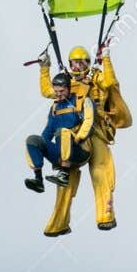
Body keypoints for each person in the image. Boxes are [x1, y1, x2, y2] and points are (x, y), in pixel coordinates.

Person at [43, 45, 132, 231]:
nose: (77, 67)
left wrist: (106, 58)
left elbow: (109, 83)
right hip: (74, 132)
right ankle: (58, 224)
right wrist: (45, 67)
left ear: (88, 63)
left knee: (101, 171)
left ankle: (106, 215)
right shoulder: (66, 82)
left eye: (82, 62)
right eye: (74, 63)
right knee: (65, 178)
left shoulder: (96, 76)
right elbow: (48, 91)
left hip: (97, 129)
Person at [25, 71, 95, 202]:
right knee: (33, 140)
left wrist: (79, 138)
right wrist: (41, 145)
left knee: (62, 132)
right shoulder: (55, 107)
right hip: (60, 150)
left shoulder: (83, 101)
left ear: (68, 88)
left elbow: (89, 122)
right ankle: (38, 179)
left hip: (79, 149)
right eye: (56, 92)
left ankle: (64, 174)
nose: (59, 94)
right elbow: (48, 131)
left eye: (62, 91)